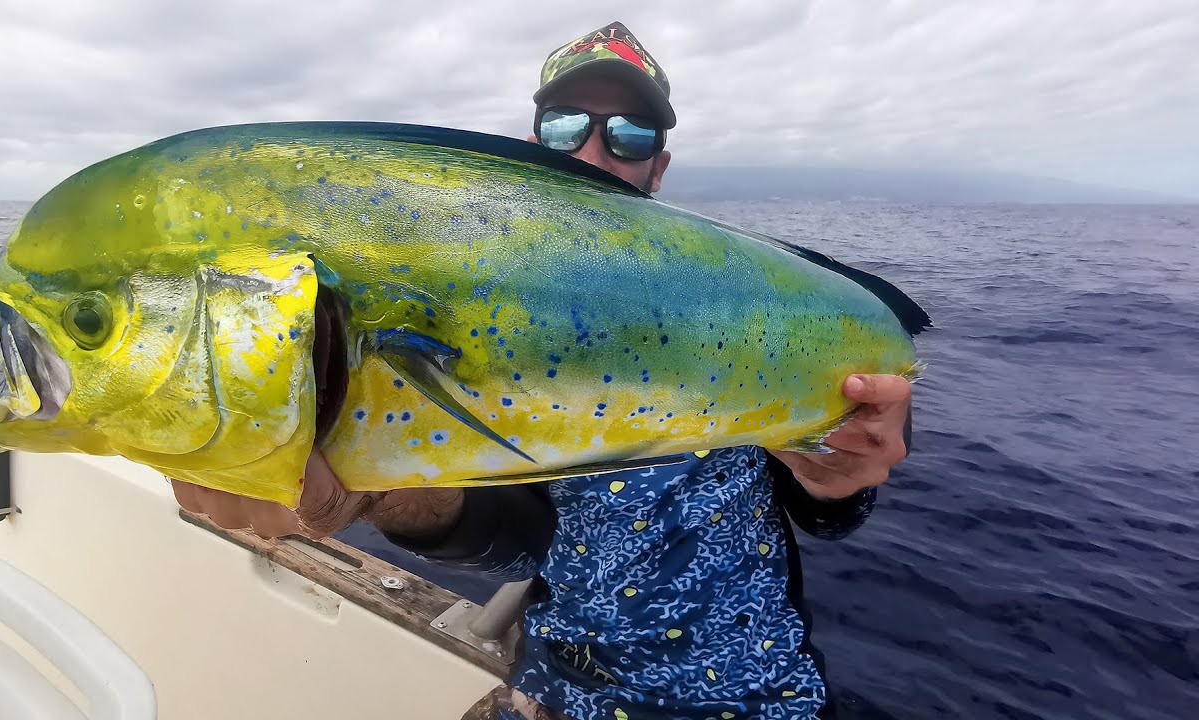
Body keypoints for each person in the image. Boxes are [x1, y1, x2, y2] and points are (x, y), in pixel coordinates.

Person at [172, 21, 915, 720]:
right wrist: (384, 492)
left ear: (658, 167)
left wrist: (835, 477)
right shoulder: (483, 307)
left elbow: (831, 502)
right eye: (566, 126)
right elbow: (513, 539)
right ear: (532, 145)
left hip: (751, 694)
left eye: (628, 135)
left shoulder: (757, 305)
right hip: (557, 692)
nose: (593, 153)